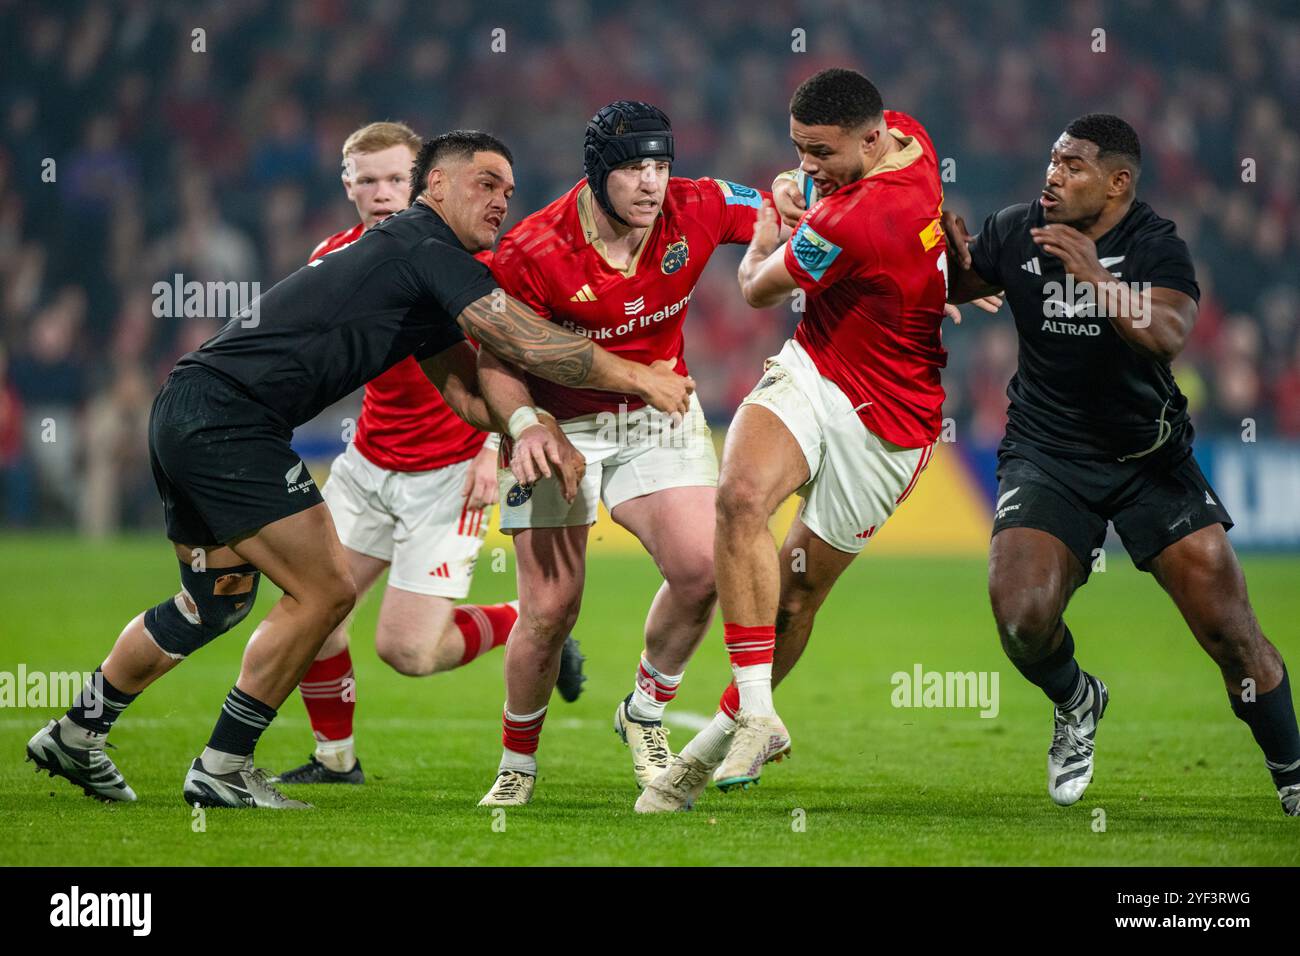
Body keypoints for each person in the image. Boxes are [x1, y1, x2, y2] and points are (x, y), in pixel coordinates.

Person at [25, 129, 691, 810]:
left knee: (213, 601)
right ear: (436, 186)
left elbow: (465, 393)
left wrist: (528, 424)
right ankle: (224, 765)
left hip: (189, 410)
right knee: (326, 592)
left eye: (509, 192)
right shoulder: (427, 246)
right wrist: (639, 377)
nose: (501, 202)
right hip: (232, 422)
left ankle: (76, 734)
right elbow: (527, 339)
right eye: (485, 185)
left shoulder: (415, 272)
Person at [941, 113, 1299, 816]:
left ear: (1117, 182)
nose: (1053, 175)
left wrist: (1091, 275)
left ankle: (1291, 768)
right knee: (1021, 619)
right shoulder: (1018, 230)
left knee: (1232, 634)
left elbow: (1166, 335)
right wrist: (944, 265)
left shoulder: (1157, 247)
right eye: (1052, 160)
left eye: (1072, 166)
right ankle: (1078, 701)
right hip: (1048, 455)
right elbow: (953, 286)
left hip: (1148, 460)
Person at [638, 68, 950, 811]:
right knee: (740, 495)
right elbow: (884, 207)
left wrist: (768, 234)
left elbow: (754, 288)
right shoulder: (911, 135)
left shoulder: (855, 223)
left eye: (820, 151)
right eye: (798, 146)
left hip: (893, 421)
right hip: (819, 369)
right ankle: (760, 711)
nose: (806, 163)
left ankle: (710, 744)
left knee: (799, 592)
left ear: (871, 140)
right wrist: (948, 272)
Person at [476, 101, 772, 807]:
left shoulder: (695, 207)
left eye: (661, 165)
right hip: (559, 425)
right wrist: (523, 426)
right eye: (635, 167)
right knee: (549, 611)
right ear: (600, 172)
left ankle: (643, 712)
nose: (651, 183)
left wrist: (914, 246)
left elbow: (788, 206)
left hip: (656, 411)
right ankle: (517, 764)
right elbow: (494, 358)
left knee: (704, 570)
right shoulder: (531, 250)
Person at [275, 122, 584, 788]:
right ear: (348, 188)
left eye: (396, 179)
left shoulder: (467, 260)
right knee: (311, 610)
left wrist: (488, 450)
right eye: (368, 181)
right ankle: (336, 762)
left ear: (425, 182)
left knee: (407, 652)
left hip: (449, 476)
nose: (383, 193)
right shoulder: (335, 255)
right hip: (365, 467)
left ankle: (518, 625)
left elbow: (506, 360)